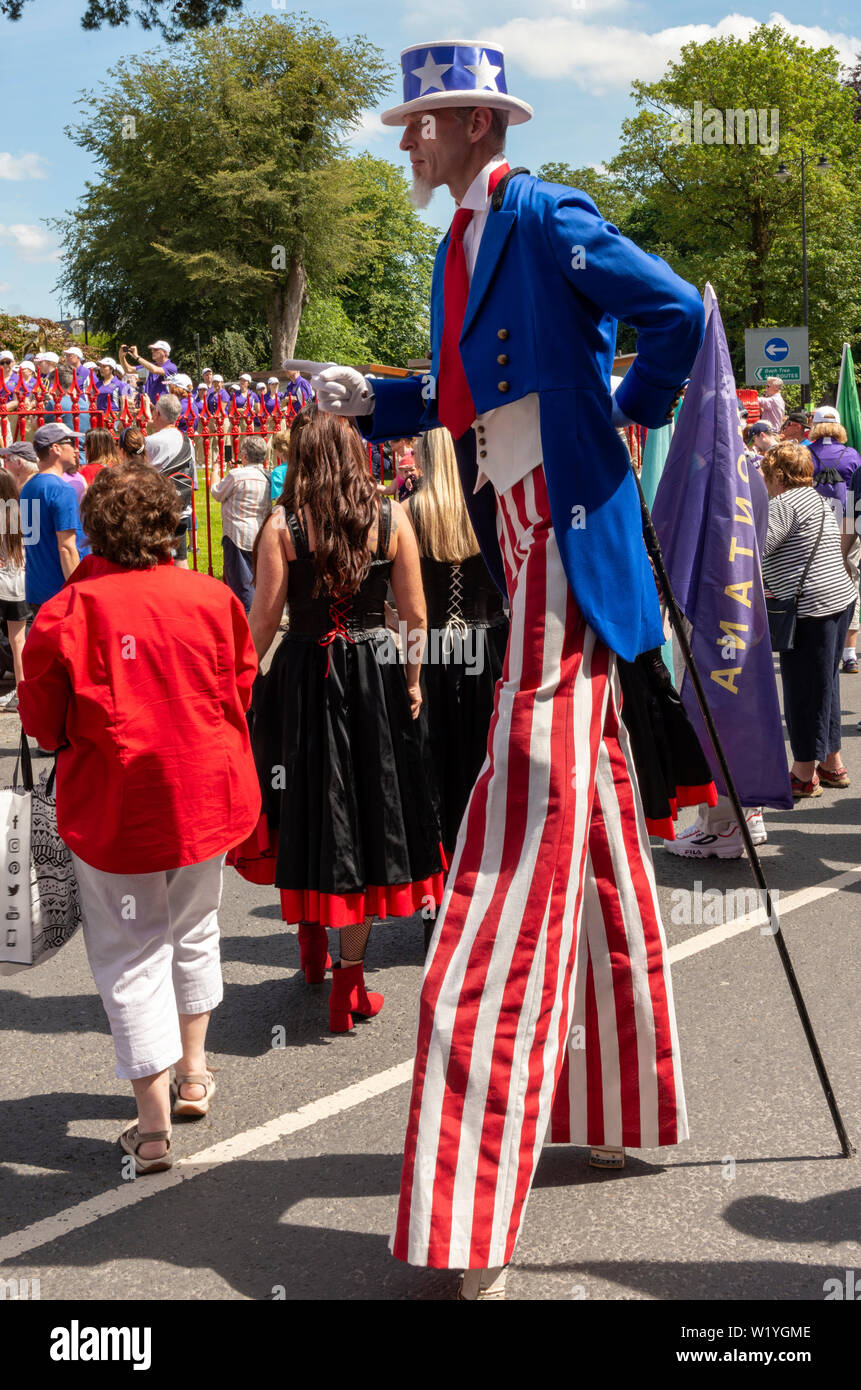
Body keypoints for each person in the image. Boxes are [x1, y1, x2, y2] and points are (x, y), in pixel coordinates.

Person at [303, 38, 702, 1298]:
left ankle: (469, 1205)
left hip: (567, 534)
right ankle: (621, 1100)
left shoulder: (540, 210)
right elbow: (476, 391)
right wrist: (374, 404)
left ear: (476, 124)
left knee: (512, 836)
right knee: (592, 830)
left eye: (423, 124)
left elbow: (676, 312)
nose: (407, 142)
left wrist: (619, 420)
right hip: (514, 519)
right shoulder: (453, 242)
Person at [18, 462, 260, 1173]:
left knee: (130, 952)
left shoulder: (67, 612)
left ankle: (152, 1126)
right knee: (193, 928)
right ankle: (193, 1069)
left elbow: (42, 721)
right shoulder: (211, 597)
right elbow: (241, 685)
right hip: (205, 791)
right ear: (169, 526)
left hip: (117, 803)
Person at [237, 406, 445, 1033]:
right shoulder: (391, 516)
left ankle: (310, 948)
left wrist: (244, 688)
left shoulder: (284, 525)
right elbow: (414, 615)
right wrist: (410, 682)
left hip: (306, 673)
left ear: (302, 457)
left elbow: (262, 622)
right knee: (364, 814)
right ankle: (348, 982)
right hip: (374, 674)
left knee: (307, 805)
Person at [407, 427, 508, 864]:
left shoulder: (408, 511)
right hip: (489, 644)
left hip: (432, 650)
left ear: (428, 458)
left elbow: (404, 604)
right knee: (491, 758)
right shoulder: (492, 507)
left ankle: (444, 867)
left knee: (437, 762)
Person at [760, 442, 856, 797]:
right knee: (824, 685)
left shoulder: (783, 504)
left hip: (811, 608)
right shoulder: (814, 497)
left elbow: (755, 548)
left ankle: (803, 773)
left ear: (777, 475)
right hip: (837, 599)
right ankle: (832, 764)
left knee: (804, 691)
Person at [806, 405, 861, 674]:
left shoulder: (804, 453)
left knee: (811, 583)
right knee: (849, 585)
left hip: (811, 527)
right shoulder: (852, 455)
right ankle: (849, 653)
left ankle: (819, 645)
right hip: (847, 524)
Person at [20, 423, 88, 615]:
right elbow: (66, 547)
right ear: (56, 449)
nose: (77, 449)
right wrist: (76, 591)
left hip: (37, 588)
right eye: (71, 442)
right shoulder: (61, 489)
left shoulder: (28, 487)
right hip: (59, 590)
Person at [210, 434, 271, 613]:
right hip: (259, 535)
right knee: (256, 580)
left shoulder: (237, 475)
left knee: (241, 584)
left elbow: (216, 492)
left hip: (237, 535)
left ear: (244, 455)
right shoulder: (267, 476)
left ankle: (246, 621)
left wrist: (215, 470)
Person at [145, 393, 195, 569]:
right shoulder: (188, 441)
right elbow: (193, 480)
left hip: (157, 509)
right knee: (181, 558)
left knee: (155, 560)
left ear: (157, 413)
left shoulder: (150, 442)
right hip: (181, 508)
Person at [0, 468, 31, 711]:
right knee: (18, 640)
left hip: (2, 581)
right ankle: (22, 691)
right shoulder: (28, 512)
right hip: (21, 581)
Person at [119, 340, 177, 407]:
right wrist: (122, 357)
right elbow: (128, 369)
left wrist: (137, 357)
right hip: (149, 406)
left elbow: (154, 370)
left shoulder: (171, 367)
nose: (152, 351)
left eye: (155, 349)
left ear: (164, 352)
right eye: (152, 350)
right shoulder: (150, 366)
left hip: (164, 407)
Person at [268, 428, 291, 500]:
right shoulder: (304, 466)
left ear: (280, 450)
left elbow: (279, 499)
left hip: (287, 509)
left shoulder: (278, 472)